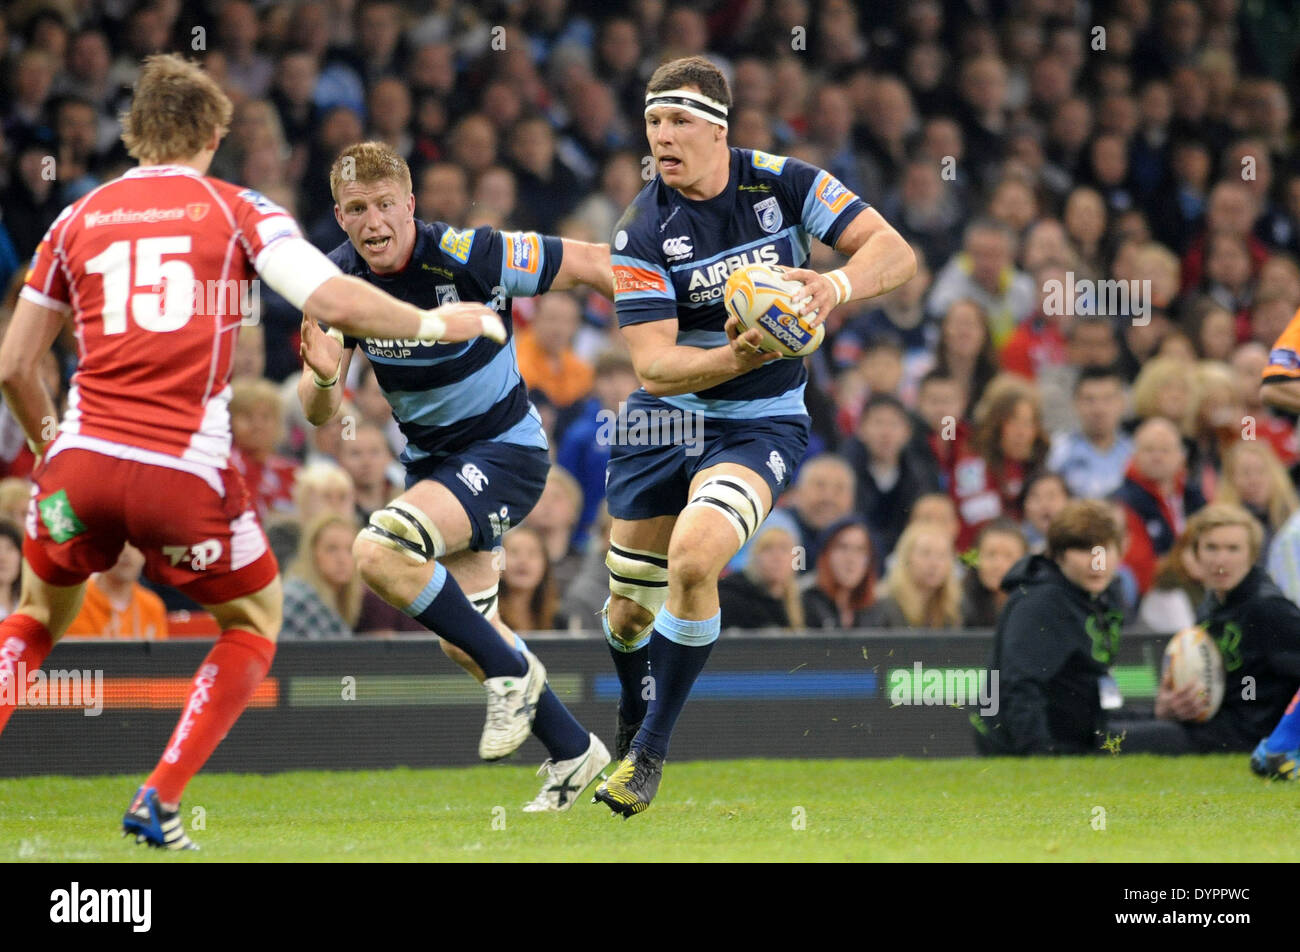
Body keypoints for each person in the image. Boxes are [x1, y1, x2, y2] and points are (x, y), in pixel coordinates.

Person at [0, 54, 504, 850]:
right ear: (215, 134)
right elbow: (330, 297)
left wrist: (51, 448)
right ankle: (159, 796)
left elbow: (13, 366)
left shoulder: (74, 217)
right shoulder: (237, 208)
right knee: (251, 621)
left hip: (79, 466)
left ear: (133, 134)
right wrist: (440, 322)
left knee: (33, 618)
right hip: (180, 475)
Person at [597, 56, 916, 815]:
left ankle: (649, 753)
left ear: (719, 129)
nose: (662, 137)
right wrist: (741, 353)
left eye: (679, 121)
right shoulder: (639, 230)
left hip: (759, 420)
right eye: (653, 121)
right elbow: (655, 366)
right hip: (664, 419)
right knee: (627, 613)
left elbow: (896, 252)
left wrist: (833, 284)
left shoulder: (784, 183)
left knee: (694, 559)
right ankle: (634, 704)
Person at [298, 139, 616, 811]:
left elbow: (594, 263)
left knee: (378, 550)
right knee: (465, 640)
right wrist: (326, 377)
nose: (373, 221)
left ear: (410, 204)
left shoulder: (472, 253)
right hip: (436, 467)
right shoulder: (332, 283)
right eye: (357, 209)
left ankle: (512, 676)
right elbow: (319, 410)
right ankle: (573, 750)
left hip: (505, 452)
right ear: (340, 215)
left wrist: (674, 322)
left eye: (385, 204)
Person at [1123, 504, 1300, 753]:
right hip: (1211, 723)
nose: (1221, 560)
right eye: (1211, 548)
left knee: (1117, 738)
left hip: (1246, 735)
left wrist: (1286, 738)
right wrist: (1171, 703)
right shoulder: (1211, 604)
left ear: (1252, 555)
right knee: (1122, 720)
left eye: (1233, 549)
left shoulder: (1268, 607)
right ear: (1196, 553)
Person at [973, 500, 1126, 755]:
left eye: (1103, 550)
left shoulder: (1101, 595)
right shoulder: (1041, 602)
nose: (1096, 563)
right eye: (1084, 550)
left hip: (1086, 733)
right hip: (1047, 744)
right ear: (1058, 555)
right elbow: (1019, 687)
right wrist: (1041, 757)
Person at [281, 513, 361, 640]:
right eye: (331, 549)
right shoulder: (300, 598)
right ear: (313, 553)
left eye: (349, 550)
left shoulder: (332, 602)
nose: (342, 559)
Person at [64, 543, 169, 639]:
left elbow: (160, 653)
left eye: (134, 544)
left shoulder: (152, 605)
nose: (127, 552)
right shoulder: (76, 602)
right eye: (119, 542)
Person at [873, 521, 962, 628]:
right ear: (906, 558)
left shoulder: (957, 608)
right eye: (925, 553)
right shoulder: (883, 606)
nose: (934, 563)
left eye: (941, 555)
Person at [717, 523, 803, 631]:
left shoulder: (807, 604)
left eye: (784, 549)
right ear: (754, 557)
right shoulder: (730, 597)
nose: (777, 557)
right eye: (767, 549)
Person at [801, 516, 878, 629]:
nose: (851, 559)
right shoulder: (803, 604)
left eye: (860, 549)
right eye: (843, 547)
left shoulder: (877, 611)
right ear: (825, 554)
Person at [498, 525, 567, 633]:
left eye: (532, 554)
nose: (523, 561)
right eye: (514, 552)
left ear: (545, 565)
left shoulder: (559, 620)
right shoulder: (486, 616)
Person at [961, 519, 1027, 628]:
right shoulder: (958, 602)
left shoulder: (1035, 604)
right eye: (991, 554)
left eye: (1008, 556)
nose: (998, 565)